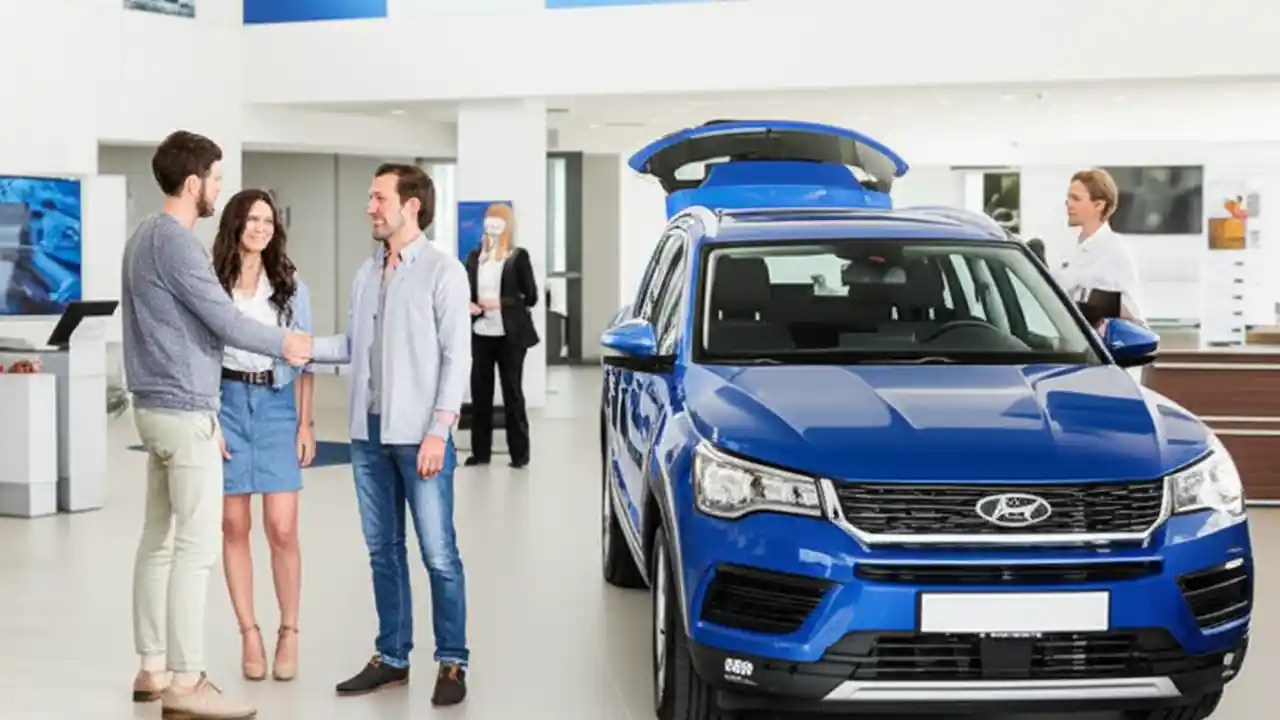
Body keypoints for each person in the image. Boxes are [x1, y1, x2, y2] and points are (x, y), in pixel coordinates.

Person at [123, 130, 311, 720]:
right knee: (197, 548)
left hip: (150, 407)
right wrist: (288, 340)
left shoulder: (140, 238)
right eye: (217, 179)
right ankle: (186, 681)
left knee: (157, 542)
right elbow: (226, 321)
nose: (219, 189)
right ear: (193, 183)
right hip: (184, 411)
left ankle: (152, 666)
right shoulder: (178, 244)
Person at [309, 163, 472, 706]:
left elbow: (458, 358)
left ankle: (452, 662)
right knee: (383, 552)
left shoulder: (442, 271)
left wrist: (439, 431)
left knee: (438, 553)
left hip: (420, 435)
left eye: (378, 197)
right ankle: (393, 657)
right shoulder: (367, 272)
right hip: (367, 435)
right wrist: (297, 344)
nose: (369, 207)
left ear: (411, 206)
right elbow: (354, 345)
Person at [211, 189, 316, 683]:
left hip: (275, 405)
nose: (260, 227)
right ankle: (249, 632)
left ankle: (288, 631)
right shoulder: (212, 282)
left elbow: (306, 357)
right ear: (235, 223)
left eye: (268, 220)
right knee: (234, 526)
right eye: (252, 219)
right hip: (227, 405)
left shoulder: (290, 284)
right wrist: (209, 419)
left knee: (282, 527)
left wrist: (304, 422)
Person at [463, 202, 539, 468]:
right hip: (481, 334)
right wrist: (470, 305)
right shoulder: (475, 258)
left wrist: (500, 303)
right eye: (489, 220)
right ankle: (480, 452)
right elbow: (465, 290)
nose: (492, 225)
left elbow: (531, 297)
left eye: (498, 220)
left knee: (512, 393)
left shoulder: (518, 257)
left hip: (510, 337)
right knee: (480, 394)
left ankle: (519, 454)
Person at [1055, 168, 1147, 380]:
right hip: (1072, 361)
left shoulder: (1115, 250)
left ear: (1099, 205)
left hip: (1107, 367)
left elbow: (1132, 310)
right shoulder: (1070, 249)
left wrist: (1088, 299)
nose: (1068, 204)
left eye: (1076, 198)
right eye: (1068, 197)